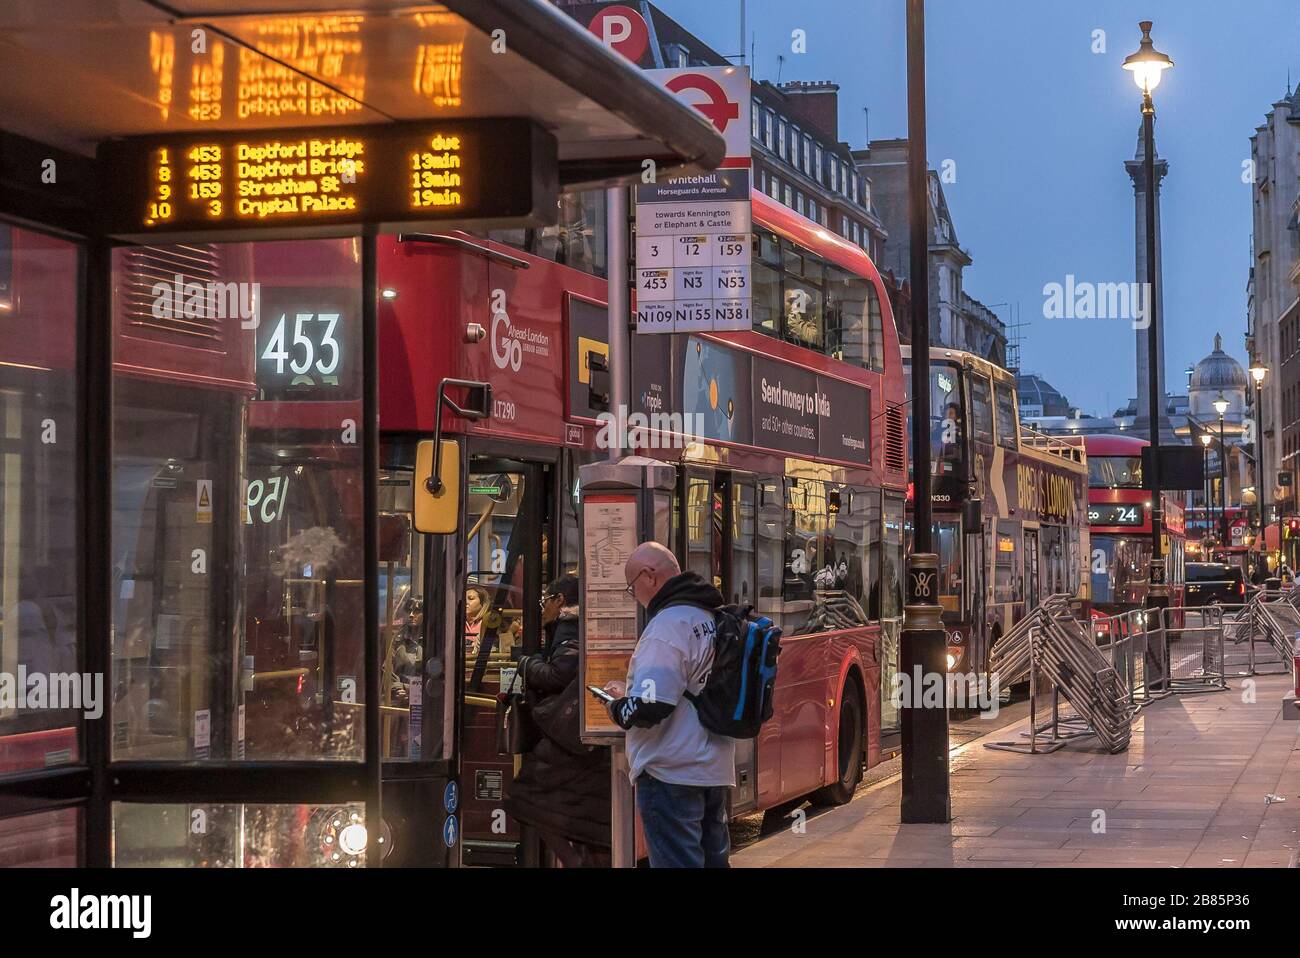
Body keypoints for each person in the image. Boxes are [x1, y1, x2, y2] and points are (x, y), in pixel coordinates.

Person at [604, 542, 733, 868]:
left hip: (670, 772)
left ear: (649, 576)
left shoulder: (666, 626)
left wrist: (617, 706)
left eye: (632, 588)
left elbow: (651, 706)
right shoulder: (709, 616)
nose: (635, 596)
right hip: (712, 767)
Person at [504, 575, 611, 867]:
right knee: (585, 814)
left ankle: (576, 862)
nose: (543, 609)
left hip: (567, 734)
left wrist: (526, 663)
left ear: (560, 600)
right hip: (583, 733)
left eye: (544, 601)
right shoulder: (583, 625)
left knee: (525, 798)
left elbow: (559, 674)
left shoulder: (567, 625)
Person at [464, 585, 489, 655]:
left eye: (471, 598)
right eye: (464, 598)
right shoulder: (456, 623)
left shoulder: (488, 623)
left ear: (483, 603)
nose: (466, 602)